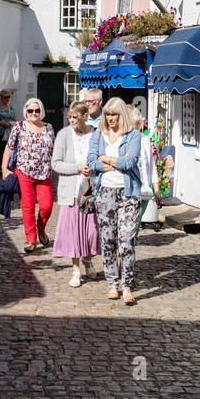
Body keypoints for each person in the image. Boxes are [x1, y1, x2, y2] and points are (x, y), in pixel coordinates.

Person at [87, 97, 143, 305]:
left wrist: (107, 159)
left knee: (127, 240)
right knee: (108, 240)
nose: (110, 118)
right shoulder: (98, 135)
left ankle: (127, 285)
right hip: (105, 192)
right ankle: (113, 283)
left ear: (122, 115)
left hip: (128, 193)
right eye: (107, 115)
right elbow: (91, 161)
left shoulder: (133, 135)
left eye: (114, 115)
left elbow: (130, 161)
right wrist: (110, 165)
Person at [51, 101, 100, 286]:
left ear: (85, 116)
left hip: (90, 189)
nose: (71, 120)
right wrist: (77, 168)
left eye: (75, 117)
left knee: (91, 231)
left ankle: (88, 259)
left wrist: (93, 167)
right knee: (74, 232)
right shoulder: (63, 135)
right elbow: (55, 163)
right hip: (71, 190)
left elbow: (100, 157)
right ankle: (76, 269)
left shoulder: (95, 134)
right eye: (69, 117)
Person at [2, 98, 55, 254]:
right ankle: (31, 239)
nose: (33, 113)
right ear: (26, 111)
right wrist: (4, 168)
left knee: (47, 206)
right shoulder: (19, 126)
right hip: (24, 171)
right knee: (28, 206)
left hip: (44, 172)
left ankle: (41, 228)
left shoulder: (49, 127)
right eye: (30, 110)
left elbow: (54, 149)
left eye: (37, 110)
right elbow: (9, 147)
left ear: (41, 111)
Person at [130, 107, 158, 230]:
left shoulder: (144, 139)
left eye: (137, 125)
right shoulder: (120, 139)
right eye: (133, 125)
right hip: (126, 190)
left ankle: (131, 246)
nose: (135, 128)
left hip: (144, 190)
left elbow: (151, 165)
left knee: (135, 227)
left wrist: (156, 189)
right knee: (127, 227)